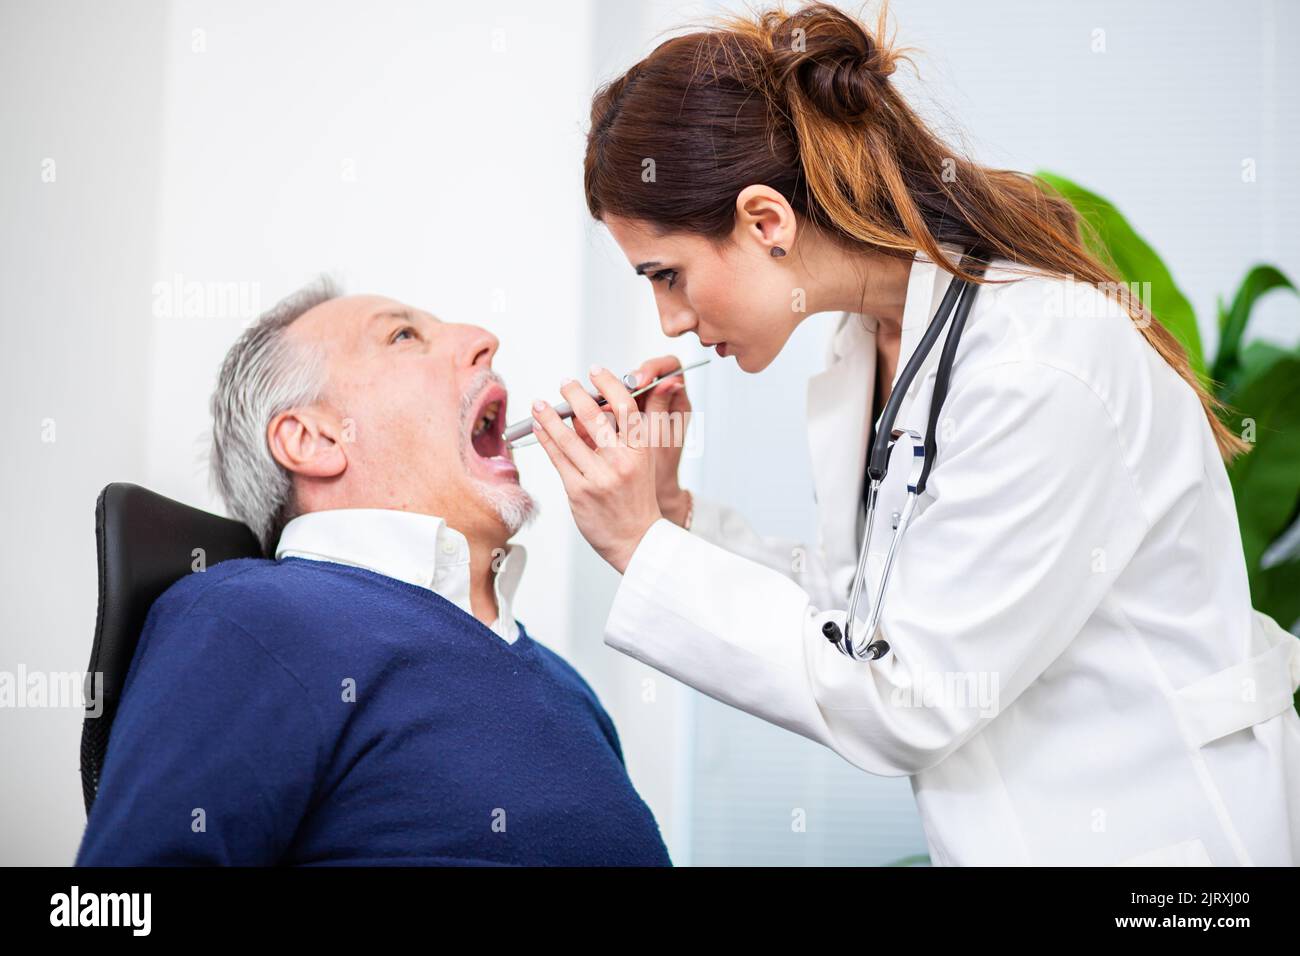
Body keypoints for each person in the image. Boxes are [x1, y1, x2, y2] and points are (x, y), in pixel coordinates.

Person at [529, 3, 1300, 865]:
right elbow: (865, 613)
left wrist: (641, 547)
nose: (667, 321)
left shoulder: (1038, 361)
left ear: (765, 221)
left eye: (666, 275)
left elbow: (910, 695)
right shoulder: (869, 345)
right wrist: (671, 514)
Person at [76, 278, 671, 867]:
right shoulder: (250, 620)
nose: (484, 340)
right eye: (404, 335)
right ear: (312, 438)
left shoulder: (568, 686)